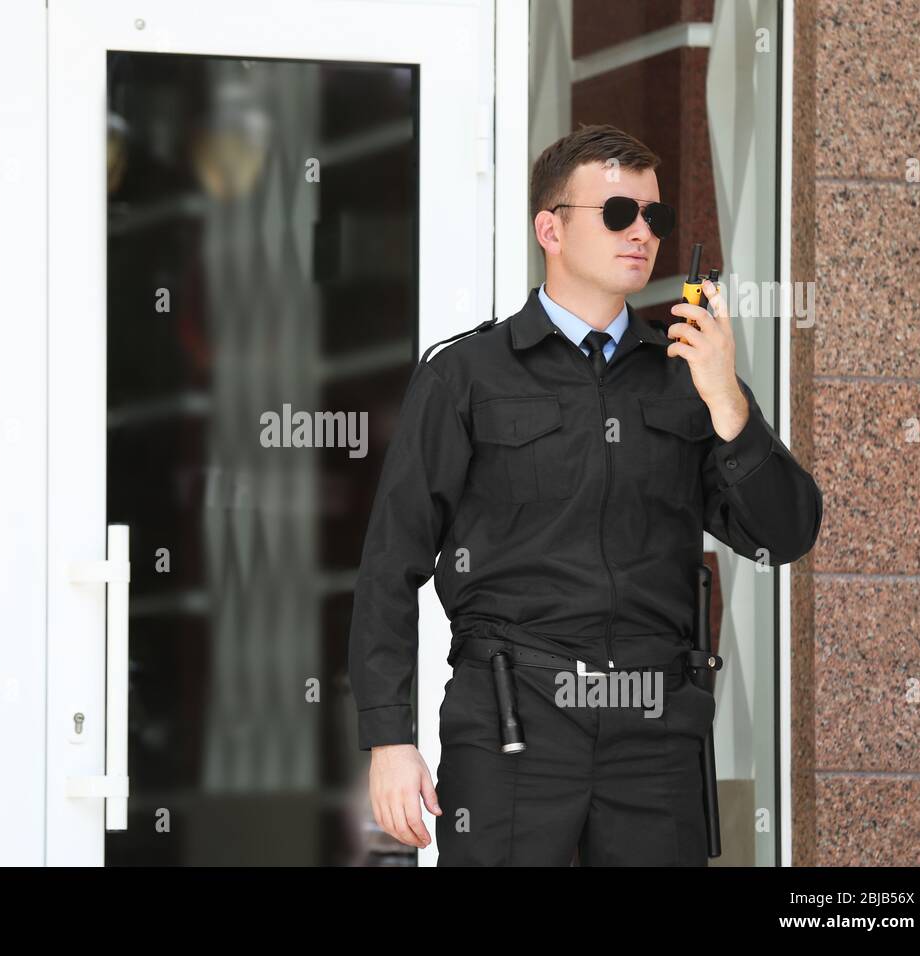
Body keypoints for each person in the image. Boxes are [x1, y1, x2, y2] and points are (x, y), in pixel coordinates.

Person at [346, 123, 823, 865]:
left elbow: (786, 534)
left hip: (656, 733)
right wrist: (389, 737)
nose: (642, 234)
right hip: (511, 723)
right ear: (550, 229)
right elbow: (390, 562)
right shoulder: (467, 376)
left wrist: (730, 404)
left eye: (655, 217)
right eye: (617, 213)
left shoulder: (690, 377)